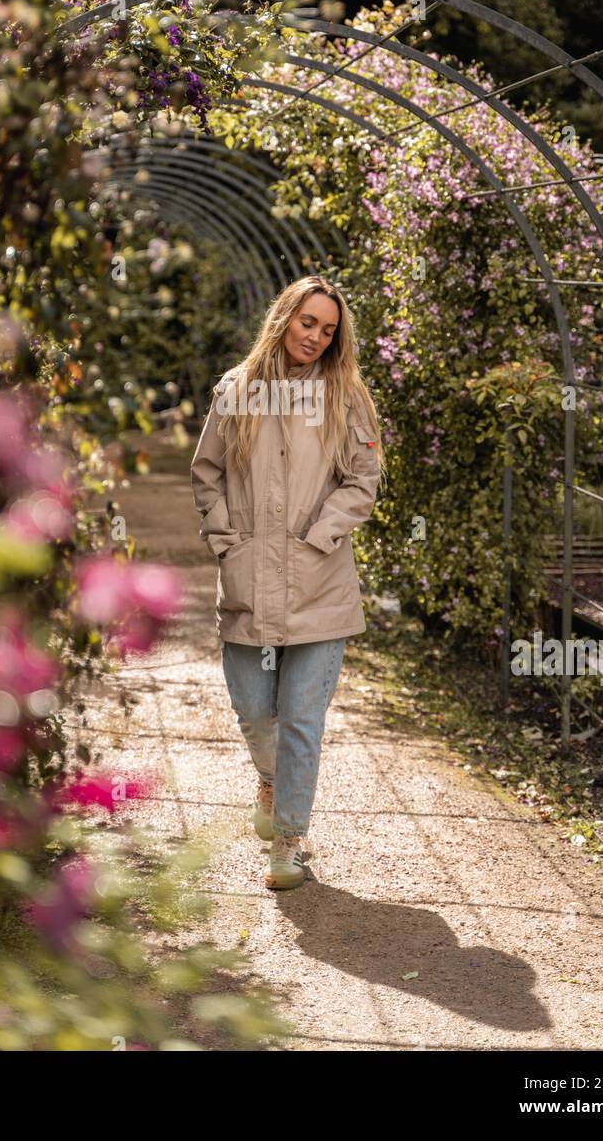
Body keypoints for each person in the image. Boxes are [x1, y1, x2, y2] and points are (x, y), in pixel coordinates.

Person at [190, 275, 385, 890]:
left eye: (328, 330)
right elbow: (208, 472)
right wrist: (227, 542)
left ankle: (289, 841)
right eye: (308, 322)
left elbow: (363, 478)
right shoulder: (238, 391)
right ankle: (271, 782)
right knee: (254, 710)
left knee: (303, 716)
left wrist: (323, 533)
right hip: (249, 578)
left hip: (320, 582)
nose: (316, 337)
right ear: (284, 318)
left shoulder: (346, 397)